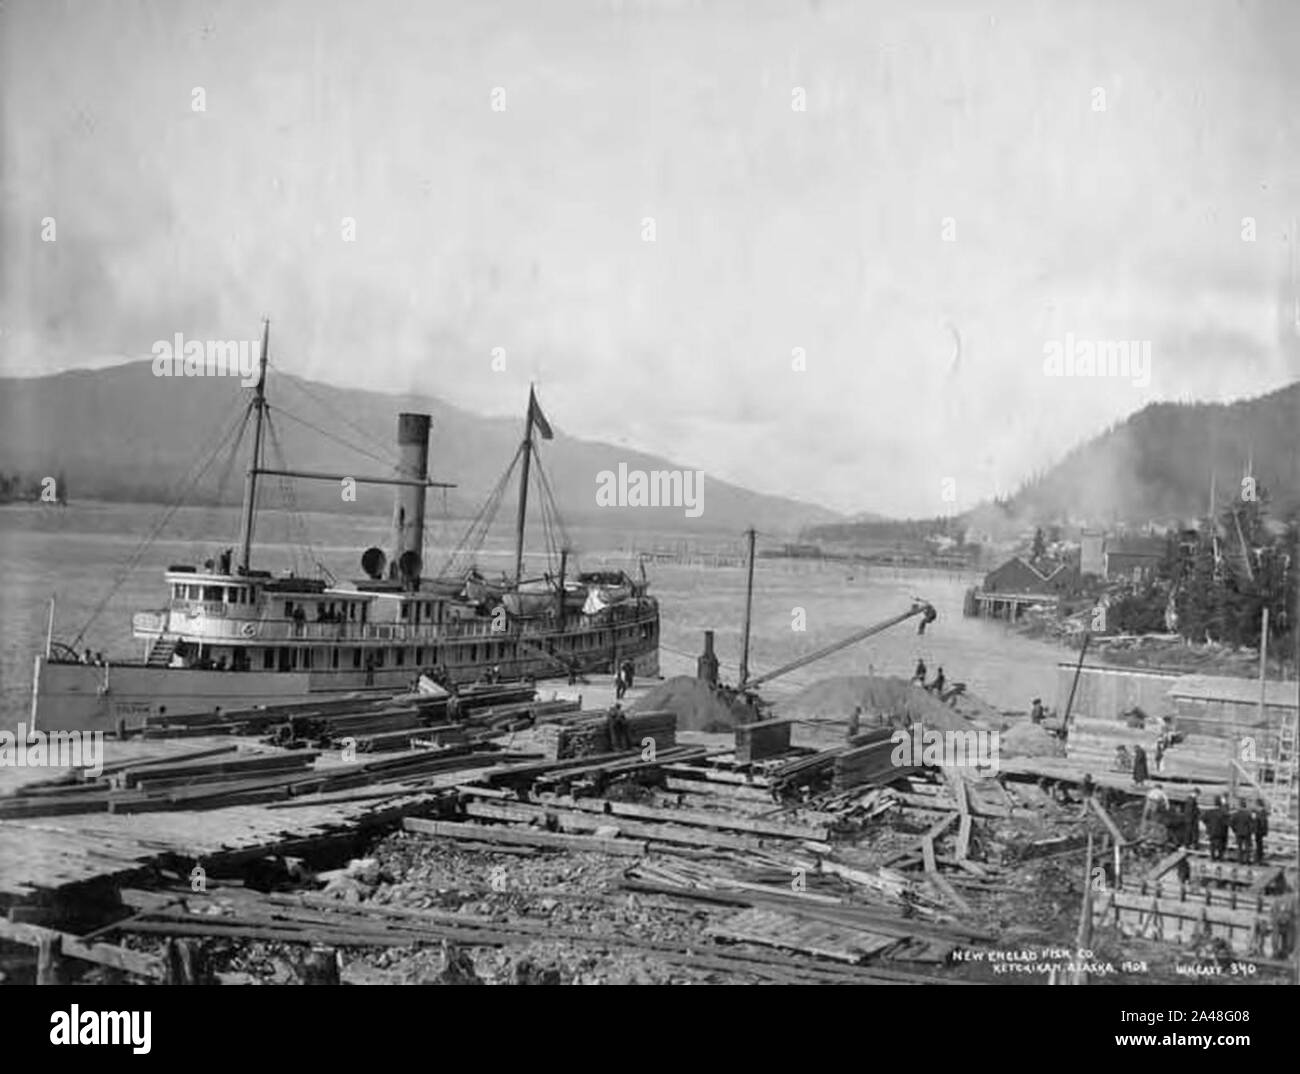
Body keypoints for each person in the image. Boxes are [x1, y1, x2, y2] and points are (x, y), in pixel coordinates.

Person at [1230, 799, 1254, 865]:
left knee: (1239, 847)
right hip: (1246, 832)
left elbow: (1231, 823)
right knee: (1247, 847)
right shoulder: (1248, 814)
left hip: (1238, 832)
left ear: (1239, 806)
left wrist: (1234, 830)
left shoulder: (1235, 814)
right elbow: (1252, 824)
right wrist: (1250, 831)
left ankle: (1240, 861)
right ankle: (1247, 861)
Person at [1205, 796, 1229, 861]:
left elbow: (1203, 818)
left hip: (1212, 830)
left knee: (1212, 845)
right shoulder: (1222, 812)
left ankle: (1212, 857)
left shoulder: (1210, 812)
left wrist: (1208, 825)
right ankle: (1220, 857)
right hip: (1220, 831)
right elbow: (1226, 820)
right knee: (1220, 845)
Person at [1251, 799, 1268, 864]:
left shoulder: (1262, 812)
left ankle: (1259, 858)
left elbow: (1262, 822)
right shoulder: (1260, 812)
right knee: (1259, 844)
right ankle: (1259, 857)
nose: (1255, 806)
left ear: (1258, 805)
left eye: (1256, 805)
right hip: (1258, 830)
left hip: (1259, 831)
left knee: (1259, 844)